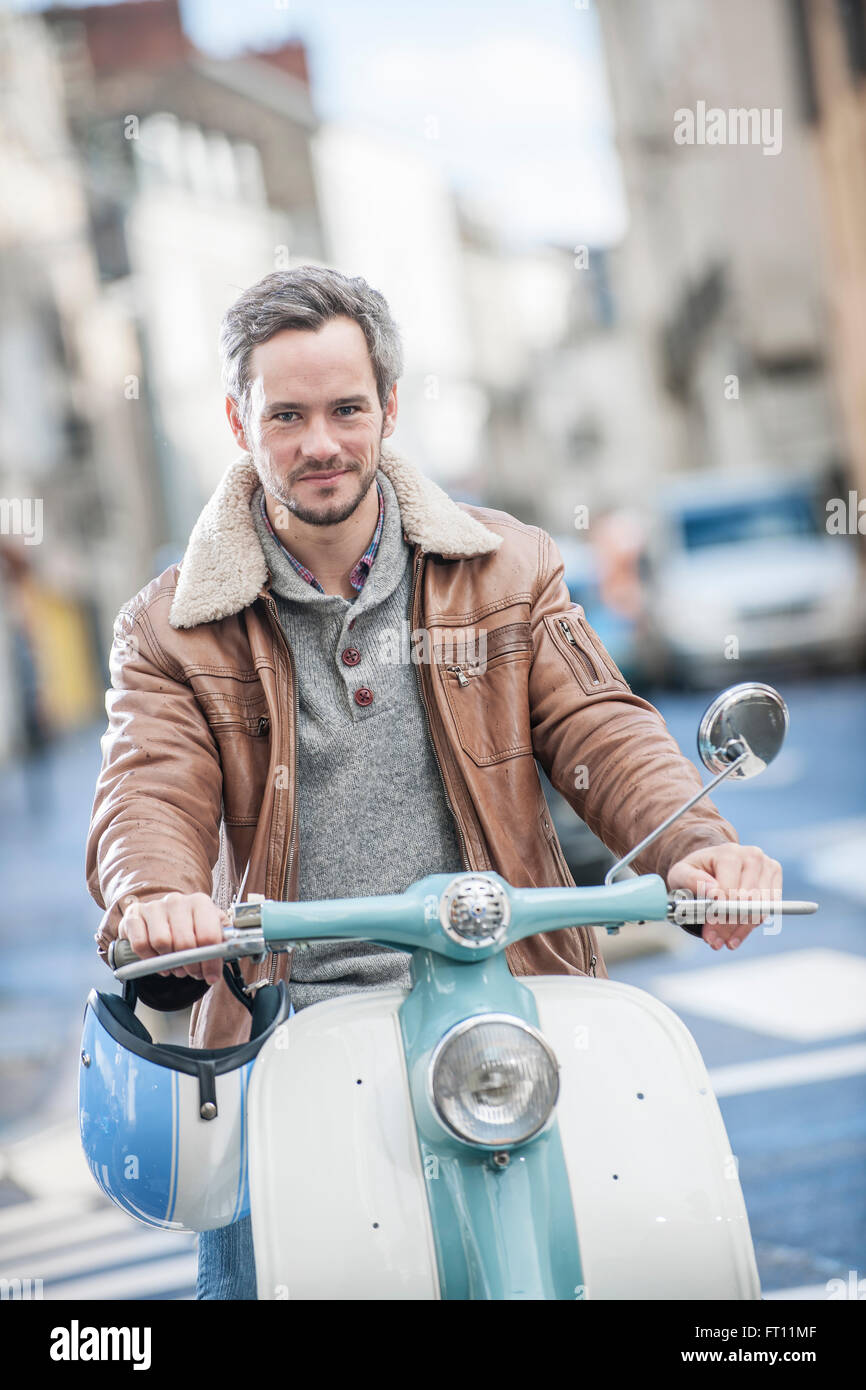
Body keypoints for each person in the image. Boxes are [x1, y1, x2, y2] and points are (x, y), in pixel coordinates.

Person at [85, 265, 782, 1299]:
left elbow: (599, 724)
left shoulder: (506, 566)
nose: (319, 441)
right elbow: (149, 784)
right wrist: (155, 896)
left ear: (388, 410)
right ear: (239, 423)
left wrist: (698, 850)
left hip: (506, 1004)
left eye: (344, 408)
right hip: (290, 1025)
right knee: (251, 1280)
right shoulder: (173, 625)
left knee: (626, 1259)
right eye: (287, 415)